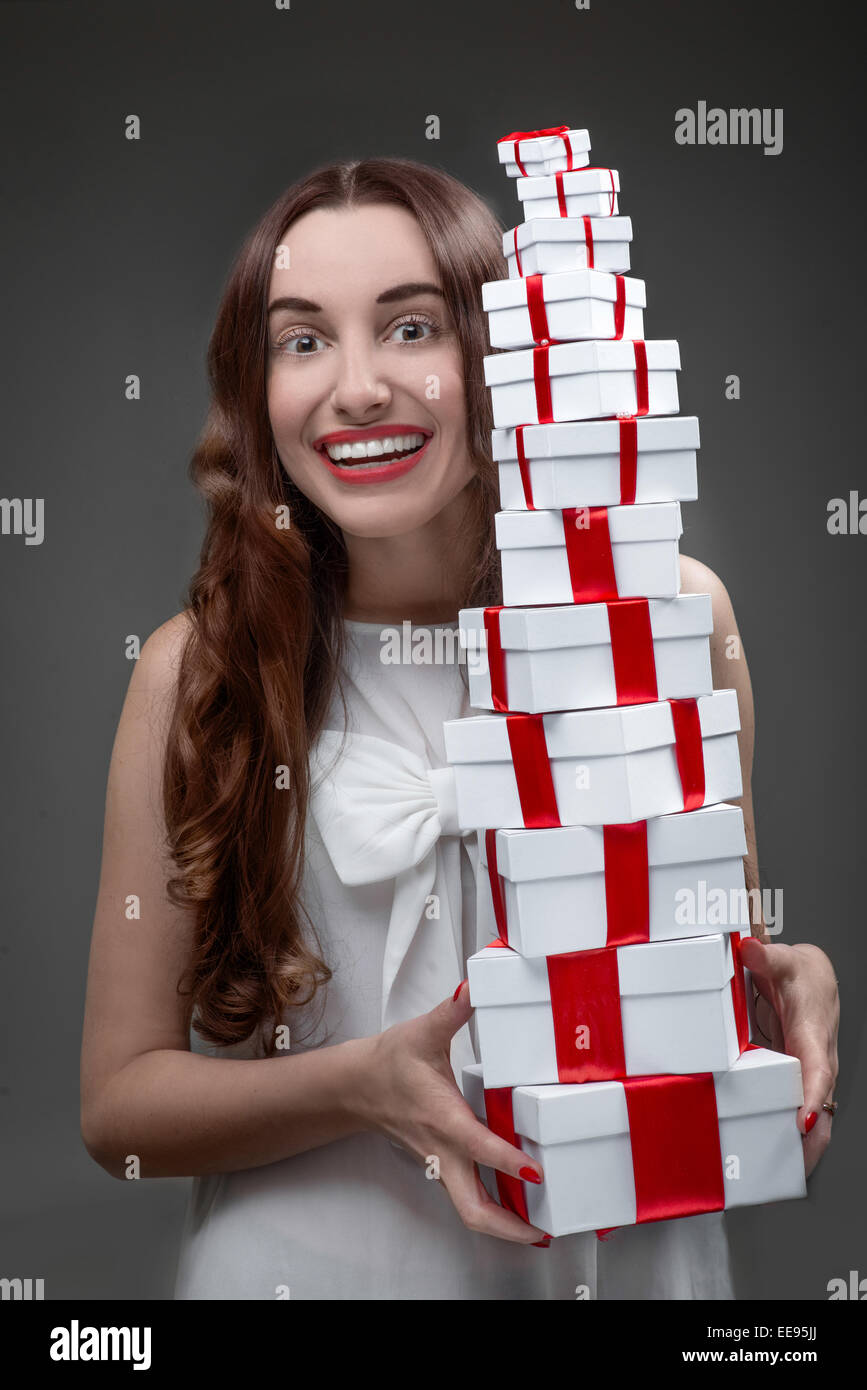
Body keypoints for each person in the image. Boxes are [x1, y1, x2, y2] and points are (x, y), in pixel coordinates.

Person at [80, 157, 840, 1300]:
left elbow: (698, 959)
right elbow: (118, 1104)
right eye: (302, 340)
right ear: (258, 388)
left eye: (411, 328)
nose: (358, 387)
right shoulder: (199, 669)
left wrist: (788, 982)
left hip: (627, 1270)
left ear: (500, 352)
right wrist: (365, 1084)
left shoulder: (672, 613)